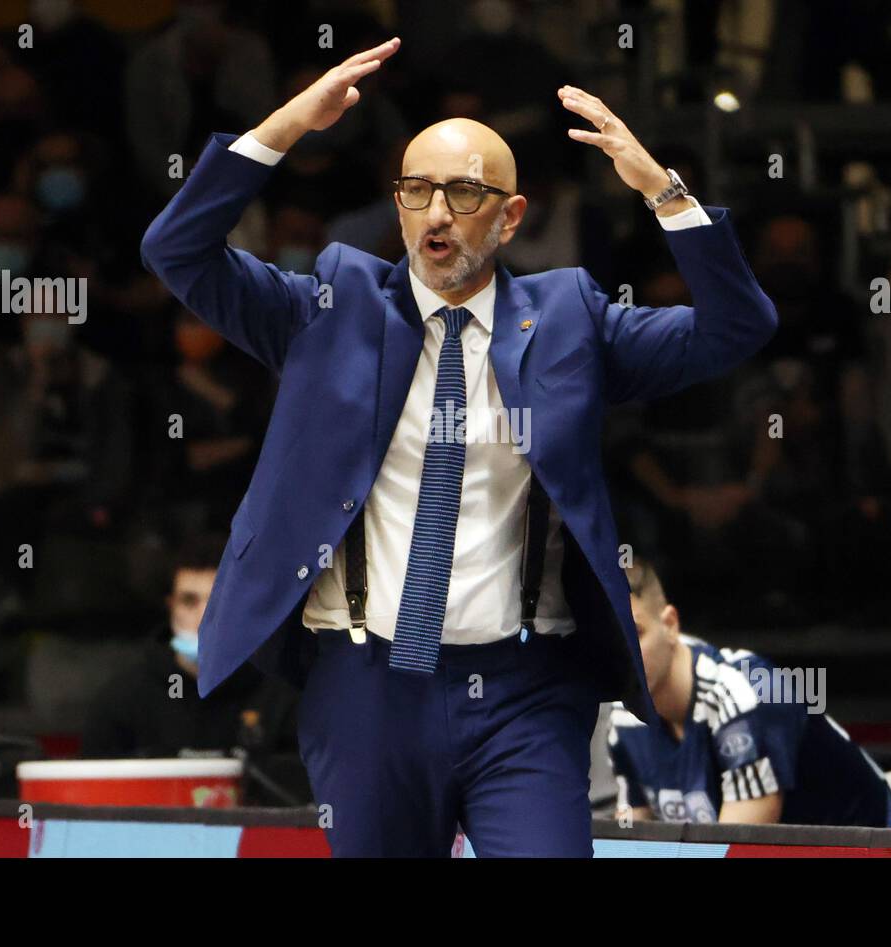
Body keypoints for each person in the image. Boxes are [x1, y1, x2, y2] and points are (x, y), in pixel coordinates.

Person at [140, 38, 777, 856]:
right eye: (417, 190)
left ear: (511, 216)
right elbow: (176, 249)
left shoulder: (570, 319)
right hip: (364, 687)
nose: (436, 213)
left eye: (464, 192)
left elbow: (738, 326)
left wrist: (663, 190)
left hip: (527, 691)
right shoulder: (330, 306)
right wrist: (290, 124)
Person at [608, 558, 891, 826]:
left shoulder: (744, 695)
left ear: (670, 625)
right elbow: (629, 841)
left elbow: (738, 849)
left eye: (636, 632)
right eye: (611, 640)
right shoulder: (622, 718)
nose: (624, 653)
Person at [82, 534, 306, 804]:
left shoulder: (283, 698)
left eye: (216, 602)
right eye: (189, 601)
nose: (203, 617)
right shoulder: (121, 701)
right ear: (171, 606)